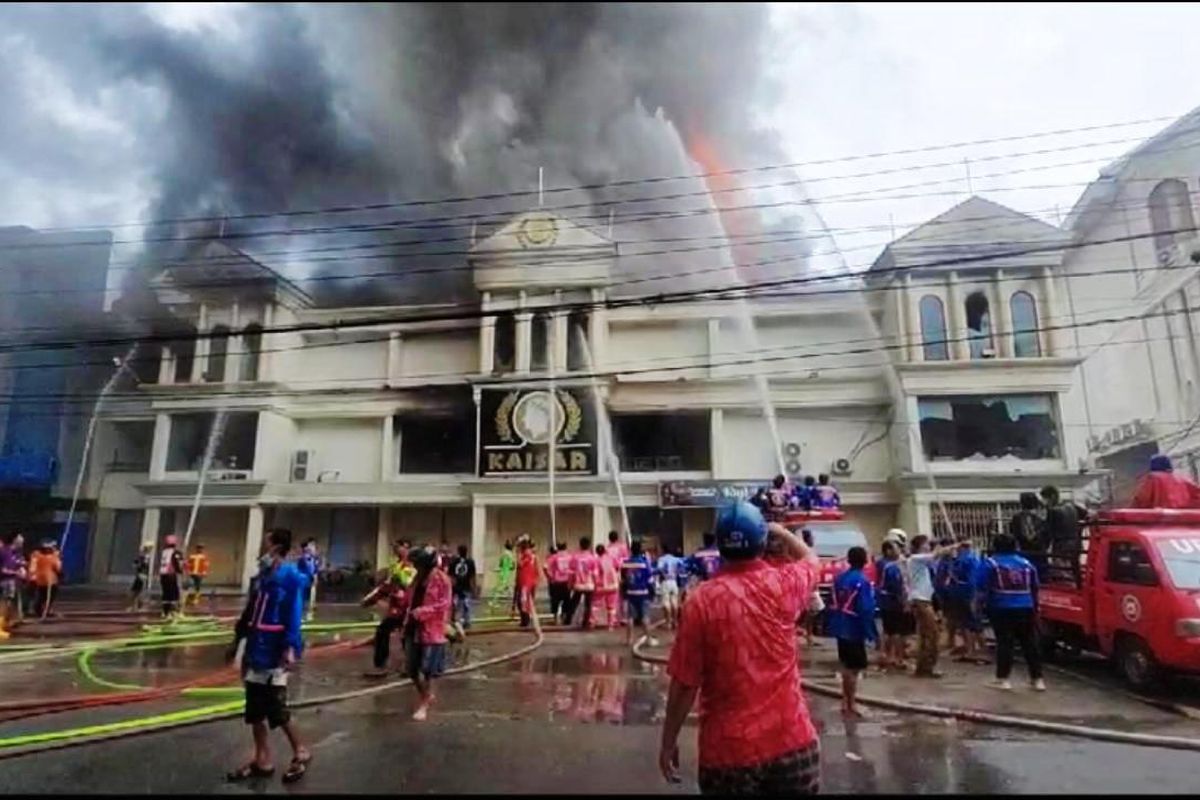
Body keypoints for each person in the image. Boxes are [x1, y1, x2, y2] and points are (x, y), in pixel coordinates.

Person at [659, 502, 821, 795]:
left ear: (720, 545)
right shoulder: (784, 583)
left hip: (729, 755)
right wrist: (782, 532)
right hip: (793, 742)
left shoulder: (701, 601)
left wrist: (668, 741)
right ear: (762, 541)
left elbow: (685, 683)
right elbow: (812, 559)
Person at [226, 527, 311, 784]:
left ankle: (301, 749)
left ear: (275, 546)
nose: (263, 547)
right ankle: (262, 758)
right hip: (255, 646)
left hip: (275, 648)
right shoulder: (264, 575)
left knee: (276, 707)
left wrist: (290, 646)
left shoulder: (290, 576)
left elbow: (293, 613)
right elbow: (251, 611)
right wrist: (238, 640)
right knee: (254, 708)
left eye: (267, 543)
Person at [975, 533, 1045, 692]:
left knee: (1005, 643)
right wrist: (1035, 607)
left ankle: (1003, 679)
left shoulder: (990, 563)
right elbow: (1035, 587)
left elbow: (980, 589)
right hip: (1026, 607)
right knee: (1030, 643)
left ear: (995, 546)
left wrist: (979, 608)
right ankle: (1038, 679)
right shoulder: (1027, 564)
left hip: (1001, 608)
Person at [827, 546, 877, 719]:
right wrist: (871, 632)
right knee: (853, 669)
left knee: (845, 665)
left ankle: (844, 701)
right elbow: (866, 608)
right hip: (854, 628)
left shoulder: (839, 578)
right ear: (864, 561)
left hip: (840, 625)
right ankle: (851, 704)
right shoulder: (862, 581)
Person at [403, 547, 453, 720]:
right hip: (412, 626)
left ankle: (424, 703)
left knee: (429, 670)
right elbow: (408, 597)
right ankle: (426, 695)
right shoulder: (416, 578)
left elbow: (444, 604)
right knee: (411, 669)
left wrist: (424, 611)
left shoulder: (442, 580)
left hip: (432, 630)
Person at [905, 534, 957, 678]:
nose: (928, 547)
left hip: (924, 599)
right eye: (925, 545)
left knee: (925, 634)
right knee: (932, 634)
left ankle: (923, 667)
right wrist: (955, 546)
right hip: (920, 600)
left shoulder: (921, 561)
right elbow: (935, 554)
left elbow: (936, 557)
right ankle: (927, 667)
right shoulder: (915, 559)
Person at [362, 543, 416, 678]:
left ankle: (410, 666)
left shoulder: (413, 567)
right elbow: (387, 586)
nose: (399, 550)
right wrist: (371, 599)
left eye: (403, 547)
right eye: (397, 548)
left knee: (406, 636)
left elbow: (409, 584)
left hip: (409, 607)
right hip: (397, 607)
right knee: (384, 632)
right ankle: (382, 666)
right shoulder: (396, 566)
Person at [946, 540, 985, 664]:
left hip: (967, 594)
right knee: (967, 623)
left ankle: (976, 651)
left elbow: (972, 580)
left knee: (971, 623)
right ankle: (972, 651)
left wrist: (973, 597)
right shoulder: (968, 559)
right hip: (962, 594)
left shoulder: (967, 560)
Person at [1041, 485, 1086, 586]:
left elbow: (1048, 531)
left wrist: (1044, 546)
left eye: (1045, 499)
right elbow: (1085, 514)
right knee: (1075, 569)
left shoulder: (1053, 511)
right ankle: (1078, 588)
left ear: (1051, 497)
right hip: (1076, 543)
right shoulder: (1072, 506)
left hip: (1061, 544)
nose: (1044, 502)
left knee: (1062, 573)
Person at [876, 539, 909, 670]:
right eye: (896, 548)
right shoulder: (892, 567)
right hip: (893, 603)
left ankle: (886, 656)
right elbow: (897, 587)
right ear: (888, 551)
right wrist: (904, 602)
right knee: (897, 632)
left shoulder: (881, 564)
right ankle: (897, 658)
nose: (899, 551)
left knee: (888, 631)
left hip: (884, 602)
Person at [620, 539, 656, 646]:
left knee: (630, 617)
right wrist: (652, 592)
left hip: (631, 592)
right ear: (640, 550)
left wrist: (624, 593)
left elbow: (623, 579)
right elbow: (650, 580)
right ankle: (649, 640)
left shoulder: (626, 563)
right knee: (645, 616)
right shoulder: (645, 563)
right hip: (643, 593)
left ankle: (629, 639)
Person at [1009, 492, 1047, 576]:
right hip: (1036, 550)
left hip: (1027, 550)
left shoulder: (1018, 517)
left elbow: (1016, 533)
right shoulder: (1040, 517)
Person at [799, 529, 825, 647]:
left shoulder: (810, 551)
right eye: (811, 538)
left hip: (812, 585)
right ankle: (805, 631)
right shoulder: (803, 552)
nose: (813, 540)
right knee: (816, 608)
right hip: (808, 586)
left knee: (812, 610)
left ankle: (807, 634)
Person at [0, 533, 27, 639]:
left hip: (15, 582)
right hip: (6, 581)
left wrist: (22, 567)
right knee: (5, 604)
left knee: (12, 605)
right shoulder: (5, 552)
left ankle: (7, 624)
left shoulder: (17, 553)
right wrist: (15, 573)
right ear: (14, 540)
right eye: (20, 539)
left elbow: (19, 563)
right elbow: (2, 569)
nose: (22, 541)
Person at [568, 536, 598, 629]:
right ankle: (586, 622)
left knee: (574, 602)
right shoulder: (592, 558)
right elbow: (595, 573)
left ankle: (568, 619)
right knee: (588, 604)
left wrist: (570, 583)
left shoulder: (575, 557)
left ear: (580, 545)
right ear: (589, 546)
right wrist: (596, 583)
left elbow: (571, 572)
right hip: (589, 584)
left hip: (578, 583)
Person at [29, 540, 62, 619]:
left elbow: (58, 569)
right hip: (45, 580)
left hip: (49, 580)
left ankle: (45, 610)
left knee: (46, 597)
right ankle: (41, 610)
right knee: (42, 596)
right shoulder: (39, 555)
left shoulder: (37, 555)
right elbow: (58, 568)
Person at [656, 545, 685, 630]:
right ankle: (675, 621)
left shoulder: (661, 559)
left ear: (663, 550)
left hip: (665, 581)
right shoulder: (676, 559)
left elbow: (659, 569)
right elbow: (682, 567)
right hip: (674, 581)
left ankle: (668, 622)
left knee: (666, 602)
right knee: (674, 601)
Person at [449, 544, 477, 633]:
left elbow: (451, 575)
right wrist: (474, 588)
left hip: (457, 586)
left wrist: (451, 586)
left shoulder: (454, 561)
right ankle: (466, 621)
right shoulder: (470, 561)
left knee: (455, 604)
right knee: (466, 605)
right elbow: (473, 576)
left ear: (458, 551)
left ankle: (455, 620)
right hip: (466, 586)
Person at [544, 543, 573, 625]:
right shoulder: (570, 557)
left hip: (556, 582)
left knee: (555, 600)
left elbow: (545, 567)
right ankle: (563, 616)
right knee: (566, 600)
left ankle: (556, 619)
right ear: (566, 547)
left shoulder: (554, 557)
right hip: (567, 581)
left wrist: (550, 578)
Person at [516, 538, 540, 629]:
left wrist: (518, 554)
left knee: (523, 601)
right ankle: (525, 618)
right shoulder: (532, 555)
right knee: (525, 601)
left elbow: (520, 564)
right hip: (529, 581)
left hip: (525, 581)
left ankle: (525, 620)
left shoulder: (527, 555)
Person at [158, 534, 185, 619]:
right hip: (171, 575)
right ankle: (173, 612)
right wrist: (181, 571)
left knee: (166, 594)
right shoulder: (175, 552)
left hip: (163, 575)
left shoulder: (164, 552)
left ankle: (165, 612)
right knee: (174, 594)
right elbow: (177, 564)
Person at [595, 544, 620, 629]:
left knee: (596, 605)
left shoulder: (597, 560)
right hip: (613, 585)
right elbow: (617, 567)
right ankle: (611, 624)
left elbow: (595, 573)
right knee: (611, 606)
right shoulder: (612, 558)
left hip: (601, 585)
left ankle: (592, 622)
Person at [490, 539, 516, 615]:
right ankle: (494, 603)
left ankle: (496, 602)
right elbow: (513, 566)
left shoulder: (504, 554)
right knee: (501, 589)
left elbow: (500, 564)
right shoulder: (511, 554)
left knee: (502, 589)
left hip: (502, 573)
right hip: (507, 574)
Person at [297, 539, 321, 622]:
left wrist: (315, 577)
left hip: (311, 581)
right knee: (302, 598)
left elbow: (315, 569)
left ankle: (308, 614)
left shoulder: (314, 559)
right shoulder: (303, 558)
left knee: (310, 598)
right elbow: (307, 569)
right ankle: (300, 615)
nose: (312, 548)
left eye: (314, 546)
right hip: (304, 580)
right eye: (311, 546)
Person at [185, 544, 211, 609]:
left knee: (197, 586)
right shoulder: (192, 556)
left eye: (201, 548)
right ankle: (188, 598)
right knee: (189, 586)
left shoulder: (204, 557)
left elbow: (206, 565)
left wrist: (204, 573)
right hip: (192, 573)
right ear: (196, 549)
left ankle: (195, 599)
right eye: (199, 548)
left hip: (199, 574)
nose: (200, 549)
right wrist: (188, 571)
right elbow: (188, 564)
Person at [129, 544, 153, 613]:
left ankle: (136, 607)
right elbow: (135, 565)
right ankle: (136, 607)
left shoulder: (144, 557)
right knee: (136, 591)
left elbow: (136, 565)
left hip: (141, 575)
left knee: (136, 591)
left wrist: (138, 566)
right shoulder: (143, 557)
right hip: (141, 575)